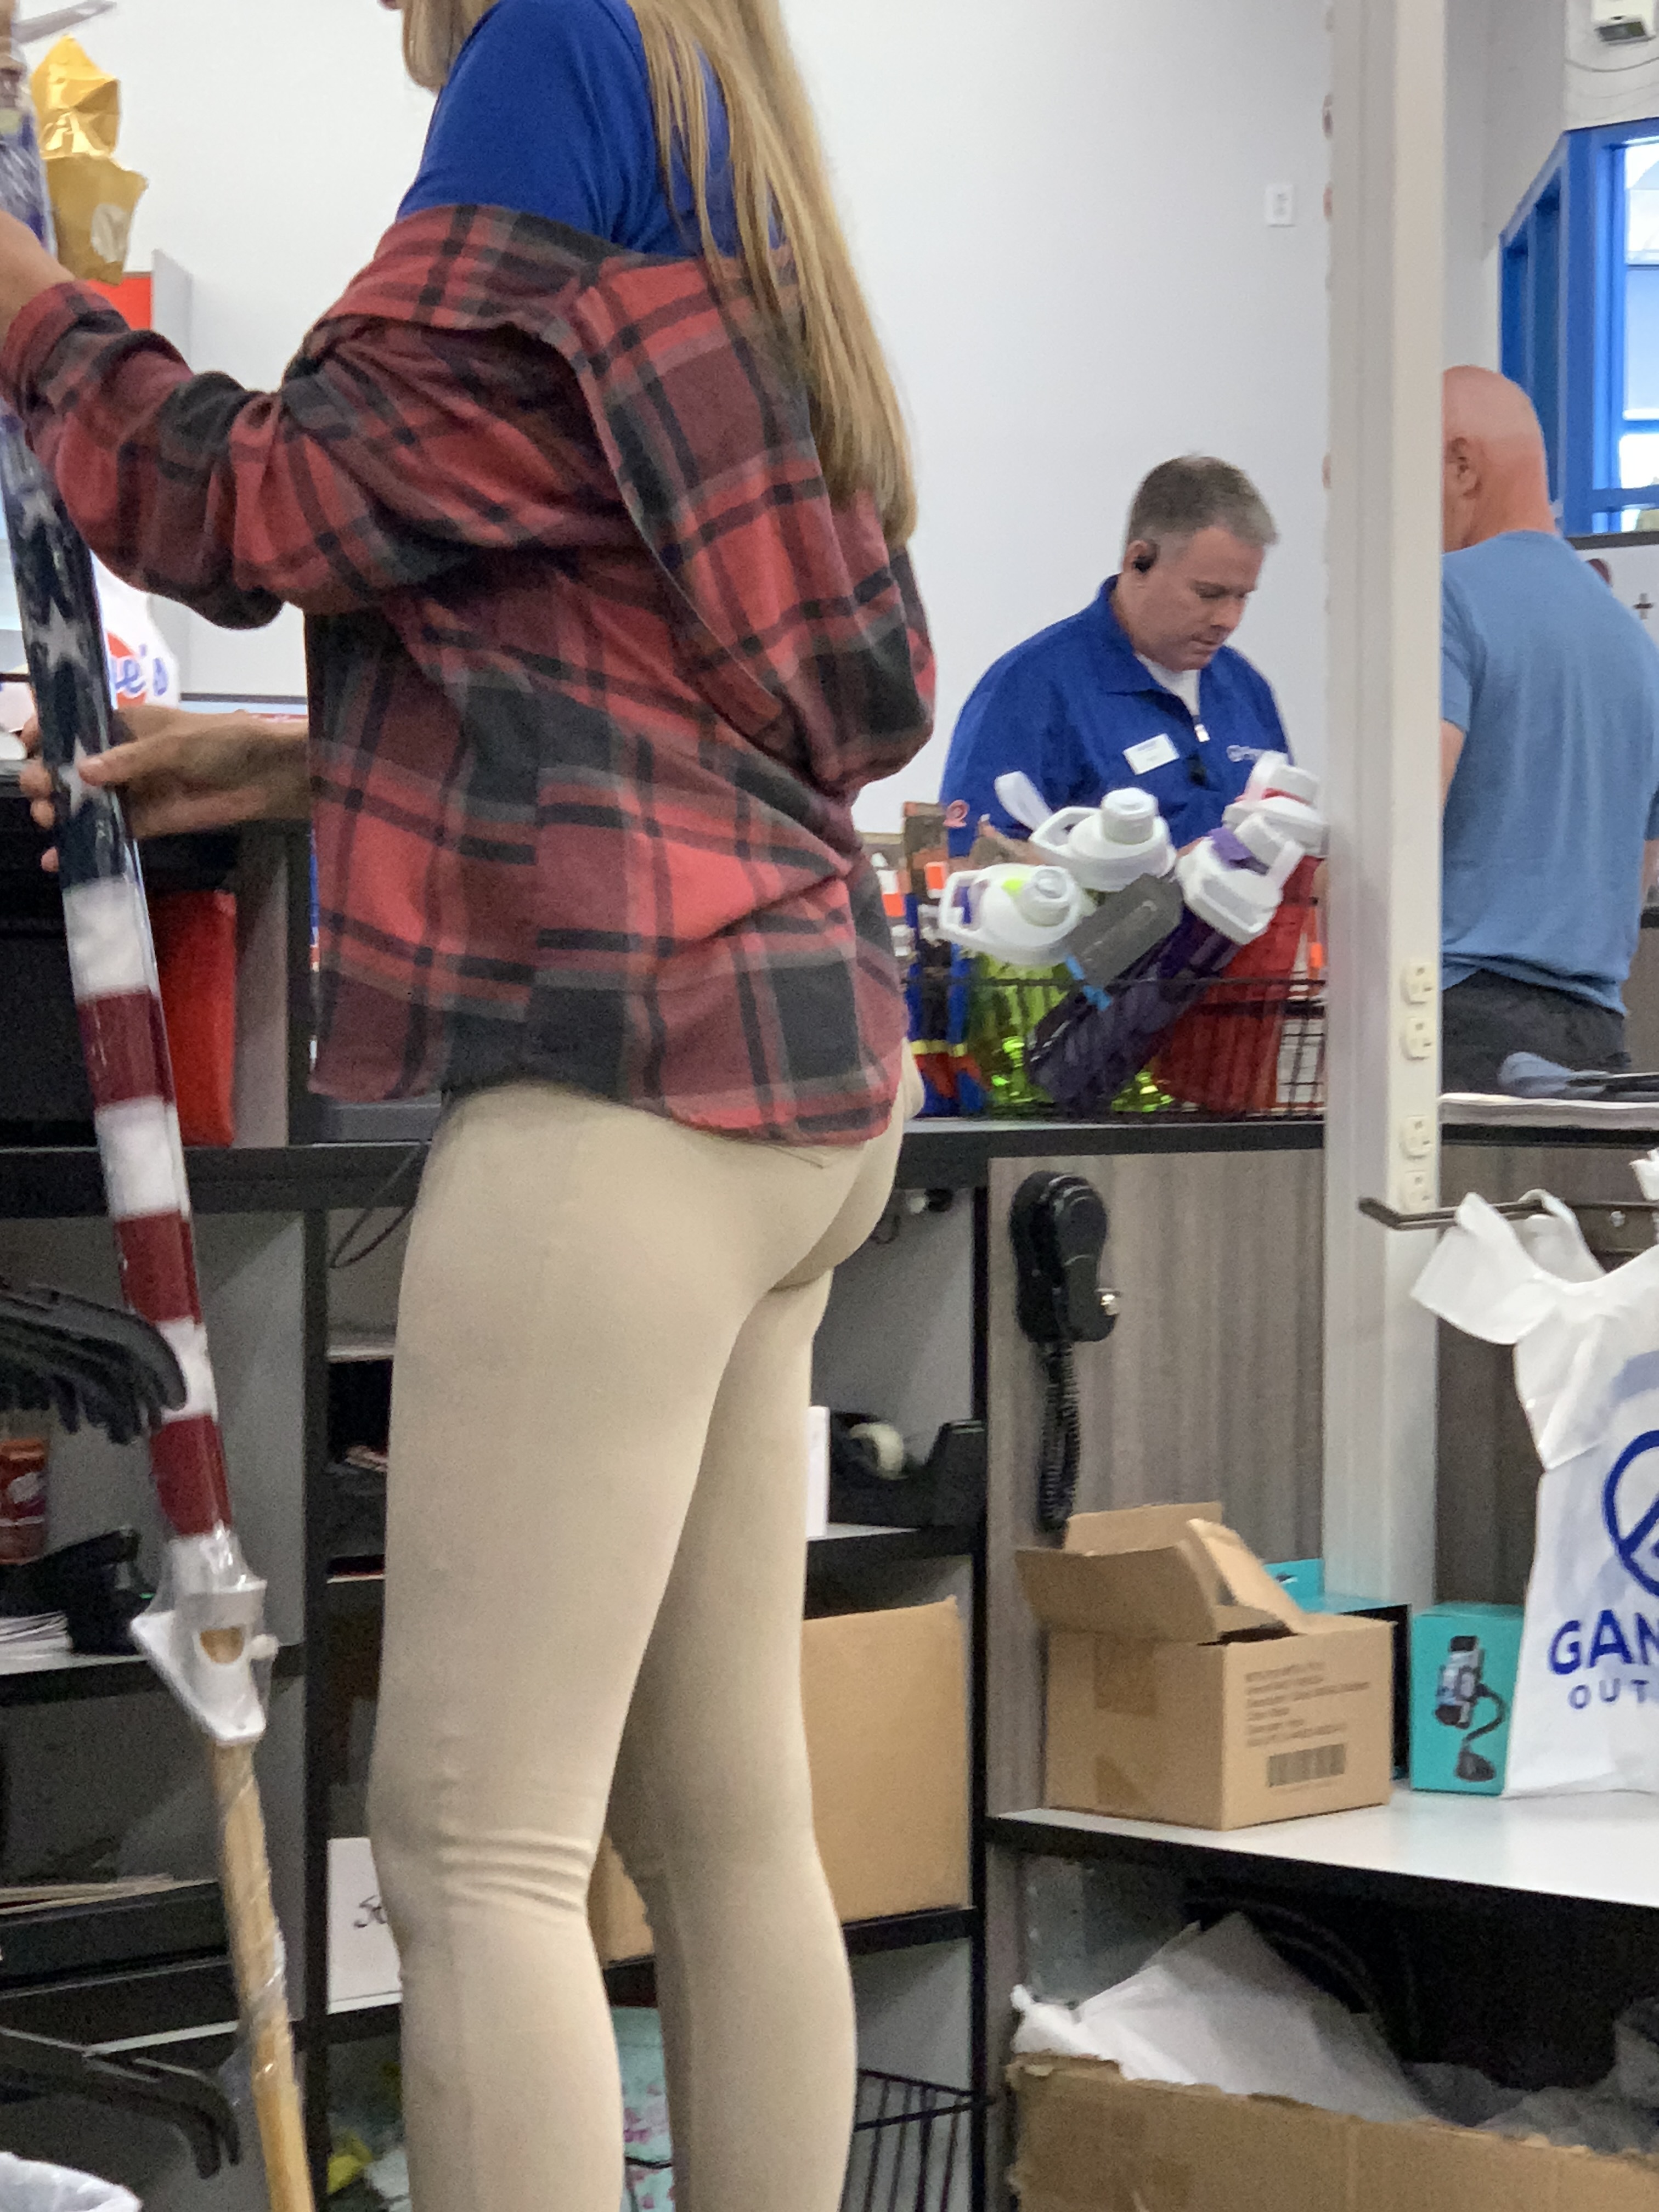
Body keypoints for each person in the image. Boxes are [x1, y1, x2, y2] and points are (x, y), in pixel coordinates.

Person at [0, 3, 933, 2208]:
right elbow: (685, 661)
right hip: (800, 1078)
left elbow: (257, 498)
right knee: (719, 1826)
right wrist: (332, 765)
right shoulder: (734, 191)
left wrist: (40, 321)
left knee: (469, 1849)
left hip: (625, 1081)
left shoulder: (554, 50)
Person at [1440, 365, 1659, 1092]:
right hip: (1596, 1037)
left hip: (1462, 1024)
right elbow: (1640, 868)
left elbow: (1406, 812)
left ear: (1463, 464)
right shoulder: (1636, 646)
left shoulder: (1446, 595)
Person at [940, 455, 1289, 856]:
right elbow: (973, 867)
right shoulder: (1029, 692)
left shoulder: (1245, 688)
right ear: (1137, 562)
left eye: (1242, 596)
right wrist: (1160, 882)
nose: (1228, 619)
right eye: (1208, 594)